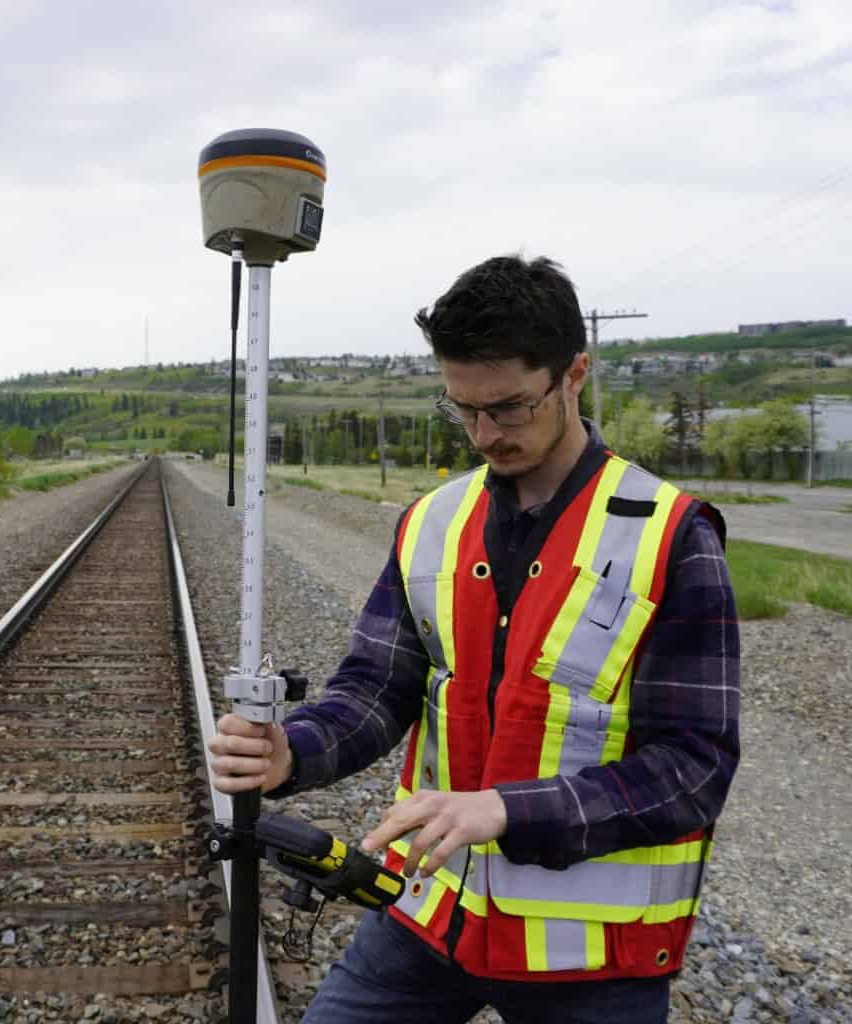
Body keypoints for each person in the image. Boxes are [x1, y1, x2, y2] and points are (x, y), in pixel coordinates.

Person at [208, 254, 740, 1024]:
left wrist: (509, 810)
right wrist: (296, 752)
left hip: (589, 960)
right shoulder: (432, 524)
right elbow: (376, 686)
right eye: (463, 410)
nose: (485, 434)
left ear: (574, 374)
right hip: (429, 920)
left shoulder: (672, 539)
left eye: (510, 407)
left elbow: (694, 769)